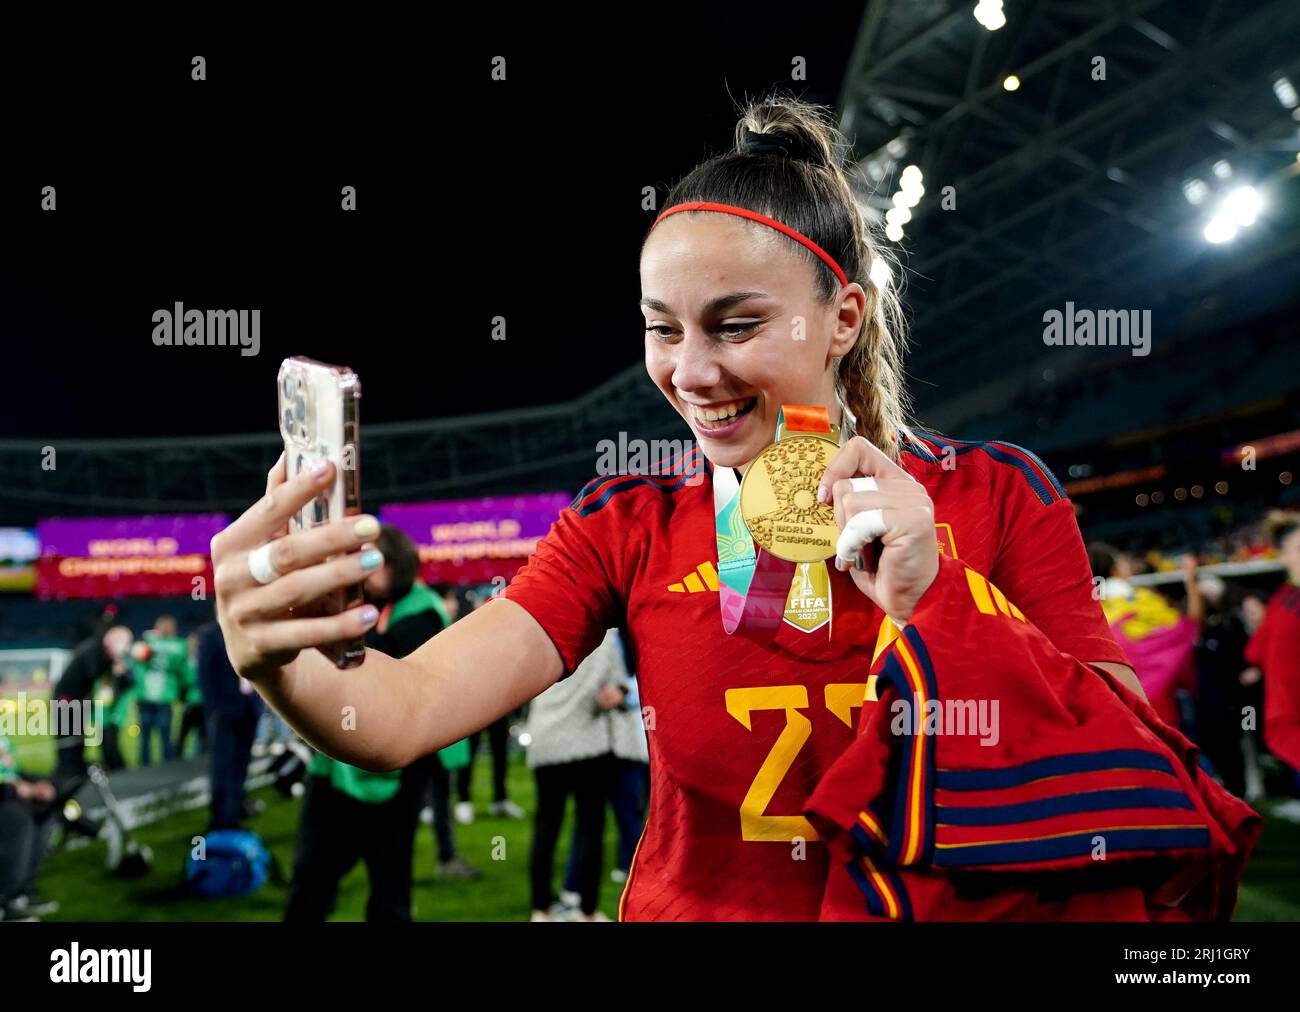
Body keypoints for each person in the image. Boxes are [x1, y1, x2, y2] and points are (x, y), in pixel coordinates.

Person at [211, 95, 1233, 923]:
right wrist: (277, 660)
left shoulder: (996, 493)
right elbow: (398, 716)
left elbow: (1143, 785)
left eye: (735, 323)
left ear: (841, 319)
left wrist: (941, 602)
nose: (690, 373)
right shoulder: (623, 526)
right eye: (662, 329)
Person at [284, 524, 475, 922]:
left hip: (396, 772)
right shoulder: (368, 604)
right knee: (311, 877)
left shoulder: (421, 613)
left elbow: (379, 668)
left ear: (397, 566)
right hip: (336, 768)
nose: (361, 570)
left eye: (371, 561)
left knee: (389, 891)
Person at [527, 627, 647, 921]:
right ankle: (587, 910)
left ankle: (541, 909)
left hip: (546, 740)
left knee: (546, 825)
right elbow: (612, 686)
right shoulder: (603, 637)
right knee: (590, 826)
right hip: (588, 742)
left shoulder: (537, 631)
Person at [1243, 512, 1300, 819]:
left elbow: (1254, 652)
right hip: (1289, 725)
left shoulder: (1280, 600)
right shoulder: (1285, 603)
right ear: (1283, 556)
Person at [453, 588, 525, 824]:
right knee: (469, 752)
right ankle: (464, 800)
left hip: (498, 702)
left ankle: (500, 799)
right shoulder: (465, 629)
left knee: (500, 752)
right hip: (472, 702)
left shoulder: (503, 631)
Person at [196, 617, 263, 831]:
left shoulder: (250, 631)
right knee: (223, 765)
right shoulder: (210, 635)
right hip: (224, 712)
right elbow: (205, 676)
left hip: (248, 708)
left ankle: (234, 810)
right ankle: (221, 818)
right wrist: (213, 710)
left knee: (240, 763)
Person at [51, 625, 134, 787]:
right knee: (69, 741)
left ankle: (73, 775)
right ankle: (66, 777)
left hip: (78, 702)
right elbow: (92, 672)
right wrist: (113, 661)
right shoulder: (94, 649)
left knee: (78, 739)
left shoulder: (97, 650)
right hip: (68, 700)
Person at [0, 731, 59, 920]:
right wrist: (14, 788)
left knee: (44, 811)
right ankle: (6, 897)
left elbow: (11, 771)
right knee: (18, 819)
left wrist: (37, 784)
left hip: (8, 794)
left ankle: (22, 892)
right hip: (5, 797)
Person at [134, 615, 188, 766]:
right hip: (166, 693)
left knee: (145, 735)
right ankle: (167, 766)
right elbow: (182, 669)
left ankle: (144, 765)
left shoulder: (148, 642)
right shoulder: (179, 645)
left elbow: (137, 657)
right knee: (165, 734)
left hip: (146, 692)